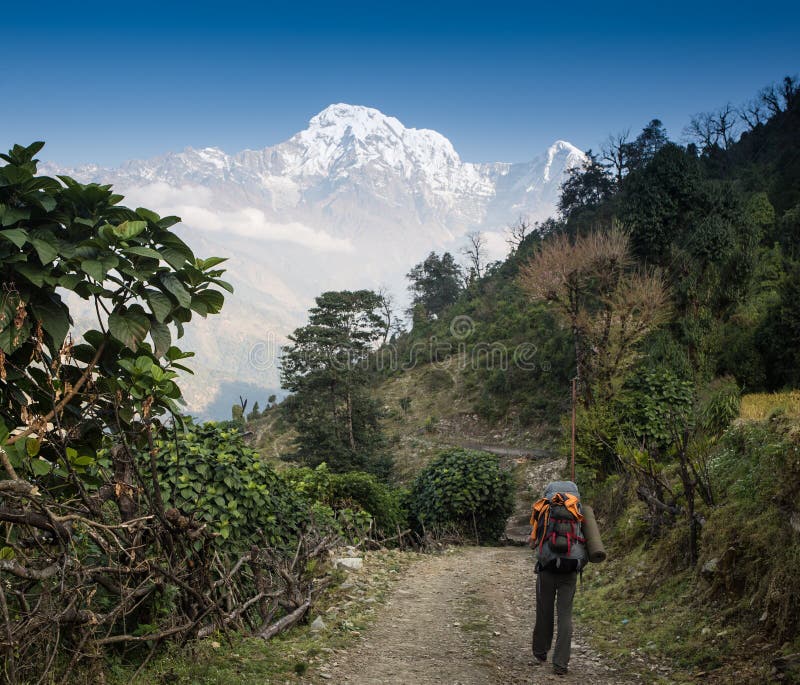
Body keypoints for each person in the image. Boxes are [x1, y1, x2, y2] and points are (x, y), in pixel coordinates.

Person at [529, 480, 588, 677]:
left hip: (547, 568)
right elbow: (589, 541)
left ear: (549, 492)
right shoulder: (579, 510)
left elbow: (533, 541)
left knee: (544, 611)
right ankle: (561, 664)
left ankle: (540, 652)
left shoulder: (544, 507)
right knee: (565, 615)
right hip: (570, 569)